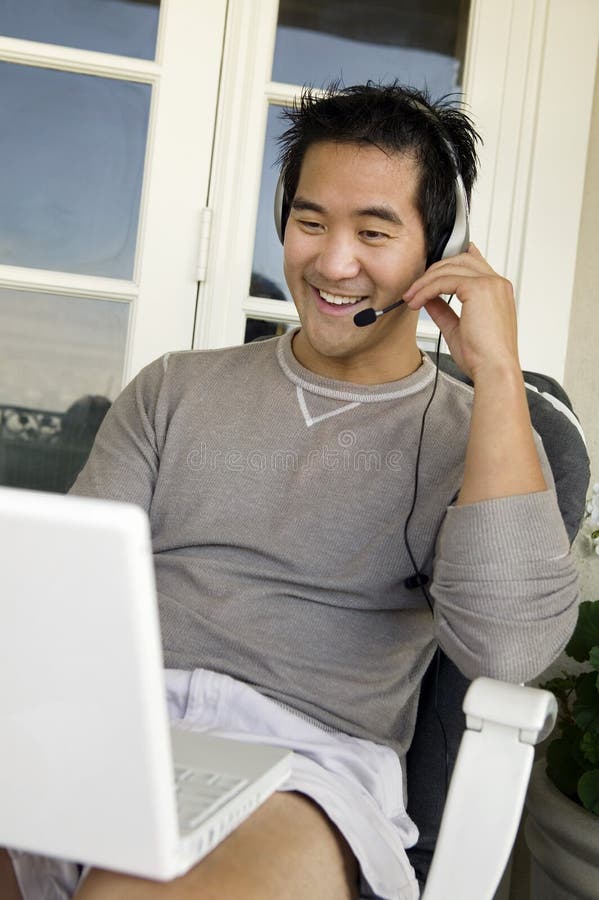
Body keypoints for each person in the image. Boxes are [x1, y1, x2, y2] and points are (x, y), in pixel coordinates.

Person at [1, 82, 580, 900]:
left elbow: (509, 647)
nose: (332, 263)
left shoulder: (476, 432)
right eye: (310, 223)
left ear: (433, 254)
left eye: (373, 232)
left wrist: (496, 376)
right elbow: (64, 599)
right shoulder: (172, 389)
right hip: (109, 732)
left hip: (304, 765)